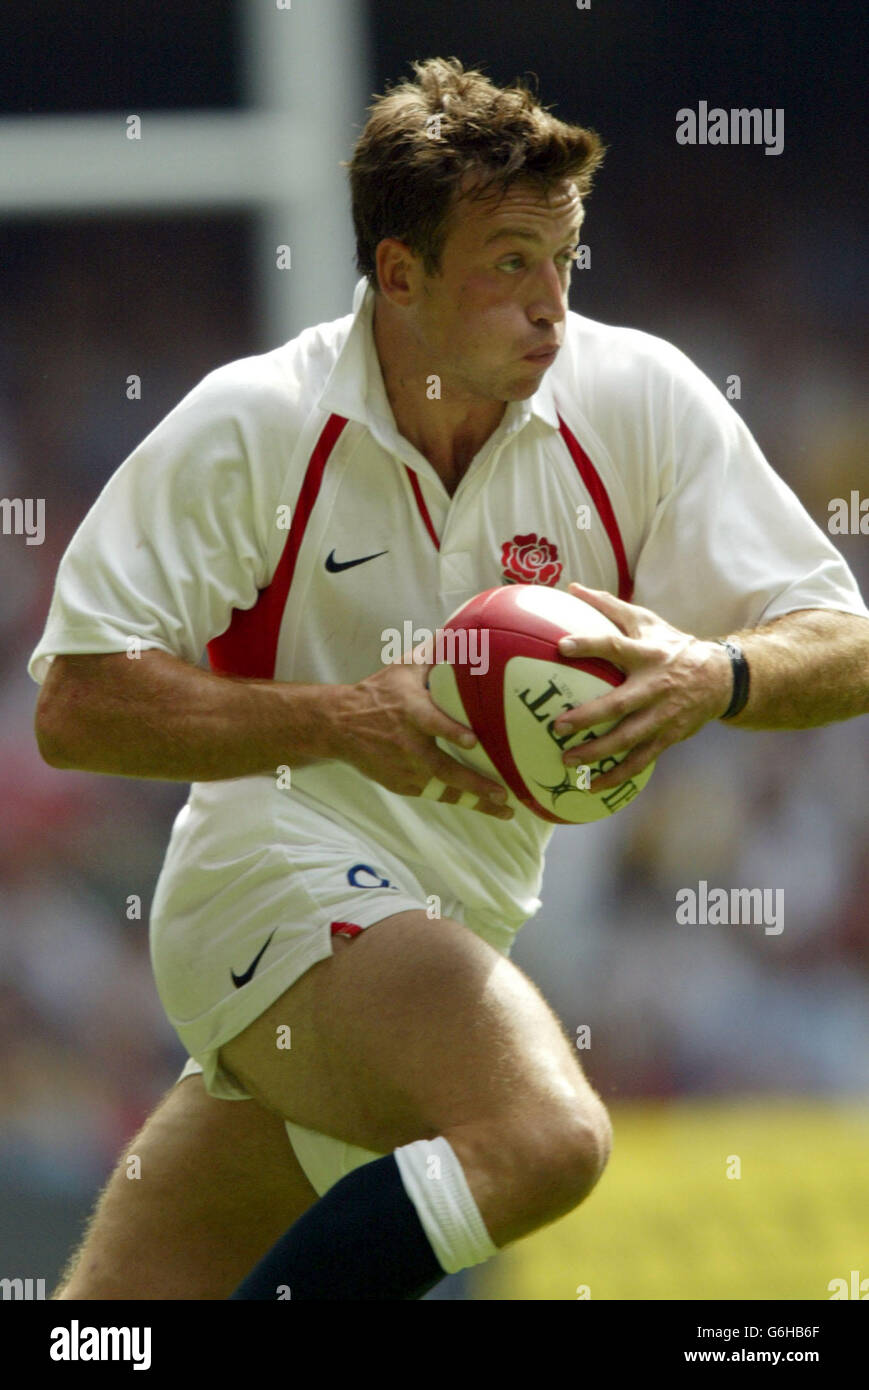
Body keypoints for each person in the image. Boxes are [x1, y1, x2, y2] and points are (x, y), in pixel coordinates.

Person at [29, 57, 869, 1300]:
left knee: (120, 1326)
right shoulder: (253, 422)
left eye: (564, 261)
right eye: (509, 263)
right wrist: (342, 719)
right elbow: (76, 703)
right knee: (545, 1136)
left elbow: (843, 638)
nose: (551, 307)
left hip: (449, 924)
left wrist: (719, 671)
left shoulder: (635, 399)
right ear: (399, 273)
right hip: (270, 876)